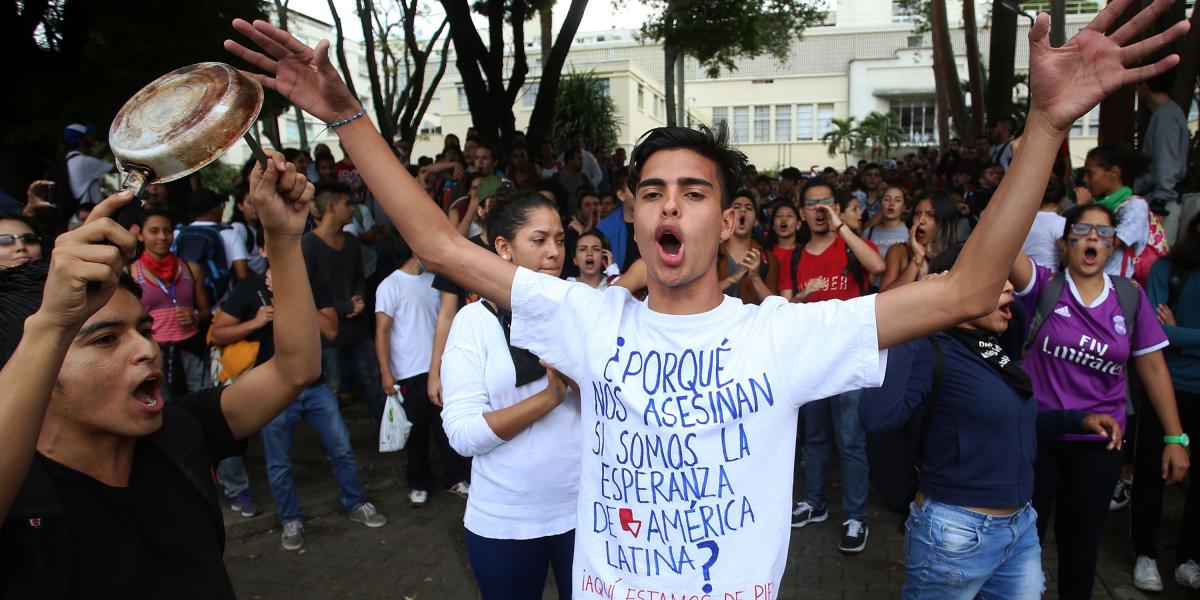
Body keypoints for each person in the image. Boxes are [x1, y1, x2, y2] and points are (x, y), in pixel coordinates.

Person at [225, 5, 1186, 591]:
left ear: (730, 222)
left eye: (694, 191)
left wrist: (1048, 125)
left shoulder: (783, 335)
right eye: (651, 193)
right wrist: (346, 114)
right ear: (634, 224)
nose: (670, 206)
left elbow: (974, 285)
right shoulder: (586, 318)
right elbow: (435, 241)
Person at [0, 154, 321, 597]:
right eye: (105, 339)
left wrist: (284, 239)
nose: (146, 349)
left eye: (143, 329)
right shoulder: (22, 498)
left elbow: (295, 368)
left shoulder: (180, 432)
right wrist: (53, 323)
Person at [861, 252, 1122, 599]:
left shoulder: (991, 349)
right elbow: (877, 417)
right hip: (956, 534)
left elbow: (1008, 424)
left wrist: (1076, 420)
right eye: (998, 281)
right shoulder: (929, 351)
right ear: (959, 288)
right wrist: (917, 318)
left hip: (1020, 528)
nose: (1012, 288)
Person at [1008, 203, 1189, 599]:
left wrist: (1176, 439)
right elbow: (1001, 242)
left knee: (1081, 547)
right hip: (1038, 438)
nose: (1093, 238)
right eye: (1083, 230)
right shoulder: (1044, 285)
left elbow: (1154, 369)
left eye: (1103, 233)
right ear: (1064, 242)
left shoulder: (1130, 298)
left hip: (1100, 445)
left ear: (1111, 247)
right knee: (1022, 543)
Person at [441, 192, 580, 599]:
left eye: (559, 239)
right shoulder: (473, 323)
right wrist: (549, 398)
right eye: (539, 241)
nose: (554, 253)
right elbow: (464, 436)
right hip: (505, 521)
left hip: (585, 513)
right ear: (503, 247)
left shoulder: (580, 309)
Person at [214, 241, 387, 551]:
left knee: (342, 449)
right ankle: (290, 519)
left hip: (315, 385)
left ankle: (356, 502)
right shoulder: (248, 288)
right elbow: (217, 333)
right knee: (279, 462)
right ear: (264, 252)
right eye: (274, 247)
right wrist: (255, 322)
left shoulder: (313, 286)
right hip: (273, 391)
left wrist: (290, 297)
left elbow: (331, 331)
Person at [789, 178, 884, 553]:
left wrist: (842, 226)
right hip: (811, 360)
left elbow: (876, 266)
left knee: (850, 441)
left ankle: (856, 516)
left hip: (849, 360)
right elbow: (787, 310)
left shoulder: (849, 247)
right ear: (801, 213)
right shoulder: (796, 255)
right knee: (814, 439)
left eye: (826, 202)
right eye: (812, 203)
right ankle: (814, 502)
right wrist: (802, 296)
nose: (819, 209)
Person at [1129, 210, 1200, 591]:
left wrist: (1178, 333)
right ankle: (1145, 553)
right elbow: (1154, 333)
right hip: (1165, 386)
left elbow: (1170, 334)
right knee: (1150, 473)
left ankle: (1190, 557)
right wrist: (1172, 334)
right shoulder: (1169, 269)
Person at [375, 235, 470, 507]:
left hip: (438, 368)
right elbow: (381, 331)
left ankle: (455, 478)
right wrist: (385, 372)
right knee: (415, 434)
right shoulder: (389, 285)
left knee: (446, 427)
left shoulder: (435, 282)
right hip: (406, 371)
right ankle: (418, 483)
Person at [302, 182, 387, 425]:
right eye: (346, 203)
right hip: (329, 333)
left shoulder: (351, 241)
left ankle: (387, 434)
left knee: (372, 380)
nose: (352, 208)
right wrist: (344, 307)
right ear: (330, 208)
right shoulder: (308, 244)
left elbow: (359, 276)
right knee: (332, 390)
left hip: (358, 327)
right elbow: (306, 293)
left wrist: (359, 299)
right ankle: (337, 444)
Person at [131, 210, 212, 400]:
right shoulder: (131, 273)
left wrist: (196, 317)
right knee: (164, 407)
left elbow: (206, 311)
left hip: (190, 350)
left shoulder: (191, 268)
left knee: (203, 402)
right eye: (154, 231)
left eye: (167, 231)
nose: (162, 237)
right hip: (154, 355)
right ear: (140, 235)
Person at [1080, 144, 1153, 279]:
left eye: (1090, 173)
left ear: (1113, 173)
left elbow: (1107, 245)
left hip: (1117, 284)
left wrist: (1081, 210)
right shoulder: (1097, 204)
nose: (1084, 179)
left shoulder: (1135, 206)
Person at [880, 191, 961, 292]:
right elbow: (884, 297)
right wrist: (917, 258)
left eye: (930, 215)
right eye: (917, 214)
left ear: (944, 222)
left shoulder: (957, 255)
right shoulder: (899, 251)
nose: (921, 220)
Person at [1134, 67, 1188, 214]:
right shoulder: (1167, 113)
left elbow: (1167, 160)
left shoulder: (1165, 116)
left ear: (1144, 83)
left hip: (1162, 201)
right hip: (1160, 196)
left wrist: (1160, 201)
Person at [716, 191, 778, 304]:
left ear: (756, 221)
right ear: (727, 218)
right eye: (737, 206)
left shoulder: (768, 259)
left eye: (749, 208)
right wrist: (732, 279)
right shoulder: (712, 254)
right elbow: (697, 298)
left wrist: (755, 277)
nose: (743, 210)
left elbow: (774, 305)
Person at [62, 123, 114, 207]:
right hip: (89, 211)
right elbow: (118, 168)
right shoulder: (84, 162)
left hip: (78, 213)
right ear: (80, 140)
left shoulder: (69, 160)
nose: (93, 137)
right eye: (89, 135)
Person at [1022, 177, 1068, 272]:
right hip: (1049, 279)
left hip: (1020, 279)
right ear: (1064, 200)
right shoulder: (1061, 223)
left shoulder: (1023, 221)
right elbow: (1067, 253)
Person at [764, 201, 801, 299]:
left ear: (798, 224)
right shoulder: (765, 254)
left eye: (789, 216)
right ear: (772, 226)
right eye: (779, 216)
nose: (784, 219)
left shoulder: (805, 253)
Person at [864, 186, 909, 261]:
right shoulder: (868, 233)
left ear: (904, 207)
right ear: (880, 203)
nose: (891, 203)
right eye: (887, 199)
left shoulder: (910, 232)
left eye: (897, 200)